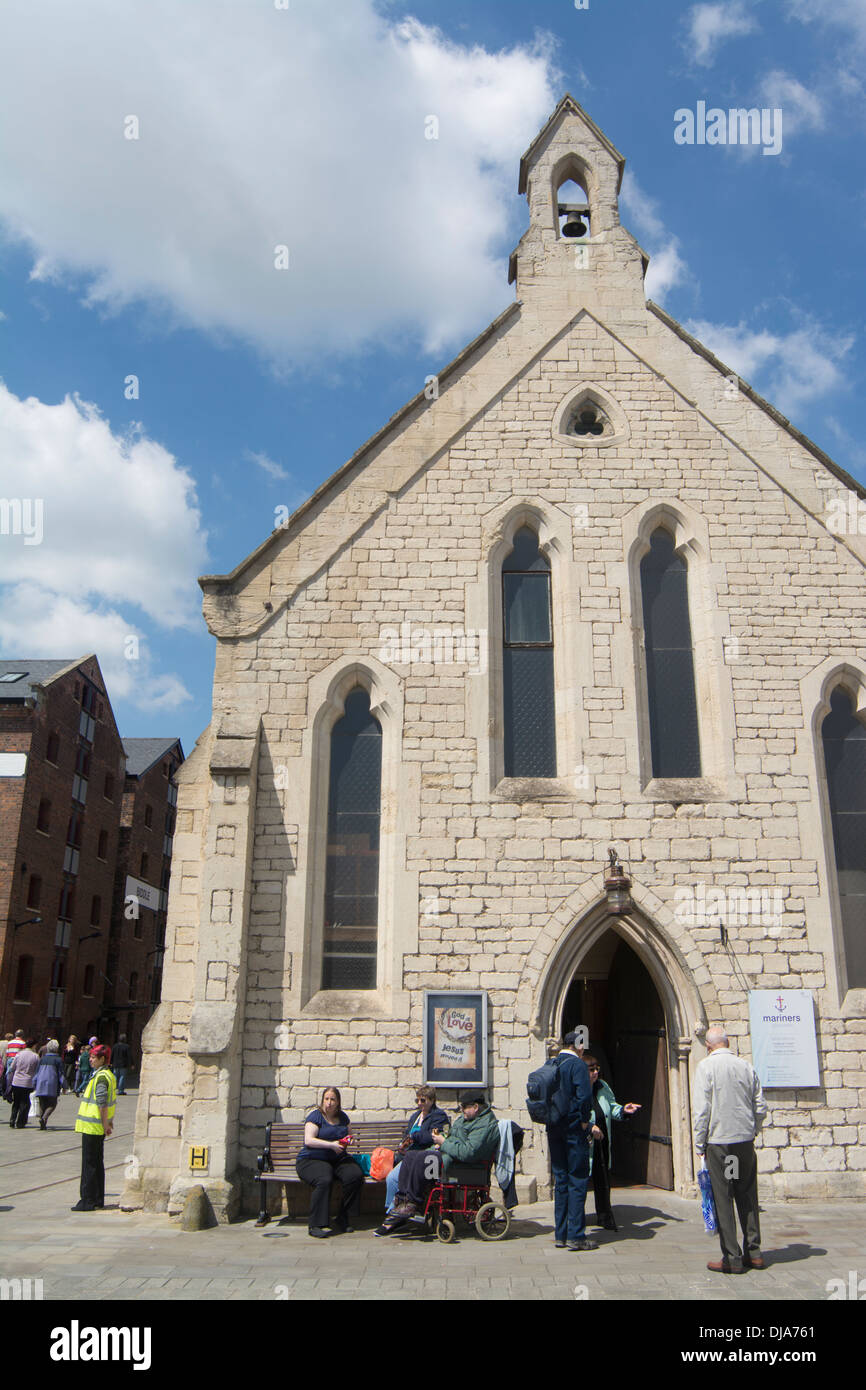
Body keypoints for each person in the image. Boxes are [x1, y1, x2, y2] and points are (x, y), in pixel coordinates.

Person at [693, 1026, 768, 1274]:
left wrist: (699, 1142)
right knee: (746, 1193)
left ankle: (732, 1257)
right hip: (743, 1141)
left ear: (709, 1045)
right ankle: (754, 1253)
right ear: (727, 1042)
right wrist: (753, 1130)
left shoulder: (706, 1067)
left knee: (724, 1197)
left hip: (720, 1141)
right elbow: (760, 1105)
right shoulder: (745, 1066)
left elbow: (702, 1109)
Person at [375, 1089, 500, 1235]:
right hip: (449, 1154)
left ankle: (413, 1202)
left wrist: (443, 1143)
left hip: (461, 1164)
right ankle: (402, 1200)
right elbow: (452, 1137)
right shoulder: (466, 1119)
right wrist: (440, 1143)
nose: (462, 1111)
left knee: (422, 1159)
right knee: (411, 1156)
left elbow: (468, 1152)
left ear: (475, 1107)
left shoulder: (485, 1126)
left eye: (464, 1108)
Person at [547, 1031, 596, 1252]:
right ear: (578, 1046)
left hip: (554, 1128)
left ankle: (561, 1234)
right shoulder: (577, 1065)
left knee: (561, 1179)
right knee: (577, 1179)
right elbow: (584, 1096)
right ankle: (576, 1235)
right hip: (573, 1130)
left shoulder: (553, 1063)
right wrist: (584, 1121)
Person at [295, 1087, 364, 1238]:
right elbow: (309, 1140)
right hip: (312, 1159)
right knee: (324, 1179)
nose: (329, 1102)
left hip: (337, 1159)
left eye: (332, 1099)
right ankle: (316, 1225)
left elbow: (350, 1135)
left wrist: (349, 1140)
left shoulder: (343, 1118)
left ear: (338, 1102)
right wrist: (331, 1145)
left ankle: (343, 1216)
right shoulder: (316, 1117)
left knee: (355, 1175)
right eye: (326, 1099)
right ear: (322, 1101)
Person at [584, 1054, 641, 1231]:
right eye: (591, 1070)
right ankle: (577, 1217)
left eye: (597, 1069)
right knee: (581, 1180)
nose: (595, 1073)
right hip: (585, 1142)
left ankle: (604, 1215)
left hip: (602, 1140)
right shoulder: (578, 1090)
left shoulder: (603, 1087)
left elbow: (613, 1107)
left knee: (603, 1180)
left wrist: (624, 1110)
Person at [384, 1085, 450, 1214]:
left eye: (423, 1100)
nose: (419, 1104)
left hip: (424, 1158)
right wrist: (404, 1144)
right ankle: (392, 1209)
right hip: (409, 1156)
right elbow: (407, 1134)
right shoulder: (415, 1117)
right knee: (392, 1178)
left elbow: (432, 1136)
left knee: (393, 1178)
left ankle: (393, 1212)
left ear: (432, 1100)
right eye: (417, 1100)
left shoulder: (438, 1116)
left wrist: (414, 1136)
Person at [72, 1044, 116, 1211]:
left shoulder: (102, 1077)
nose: (90, 1060)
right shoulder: (106, 1075)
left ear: (102, 1059)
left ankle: (87, 1200)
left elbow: (102, 1102)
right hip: (97, 1126)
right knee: (97, 1163)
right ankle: (97, 1199)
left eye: (93, 1057)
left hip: (93, 1126)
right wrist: (108, 1122)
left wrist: (105, 1124)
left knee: (89, 1164)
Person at [34, 1040, 67, 1128]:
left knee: (42, 1103)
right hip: (52, 1085)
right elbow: (61, 1074)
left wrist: (34, 1083)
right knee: (52, 1104)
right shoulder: (58, 1060)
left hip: (40, 1084)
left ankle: (42, 1123)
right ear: (56, 1049)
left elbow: (36, 1073)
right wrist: (64, 1086)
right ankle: (44, 1118)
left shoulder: (42, 1059)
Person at [9, 1037, 40, 1128]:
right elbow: (37, 1070)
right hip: (27, 1082)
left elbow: (12, 1067)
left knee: (16, 1102)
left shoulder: (19, 1054)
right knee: (25, 1103)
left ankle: (12, 1119)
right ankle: (20, 1122)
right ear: (34, 1045)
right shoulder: (35, 1056)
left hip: (16, 1081)